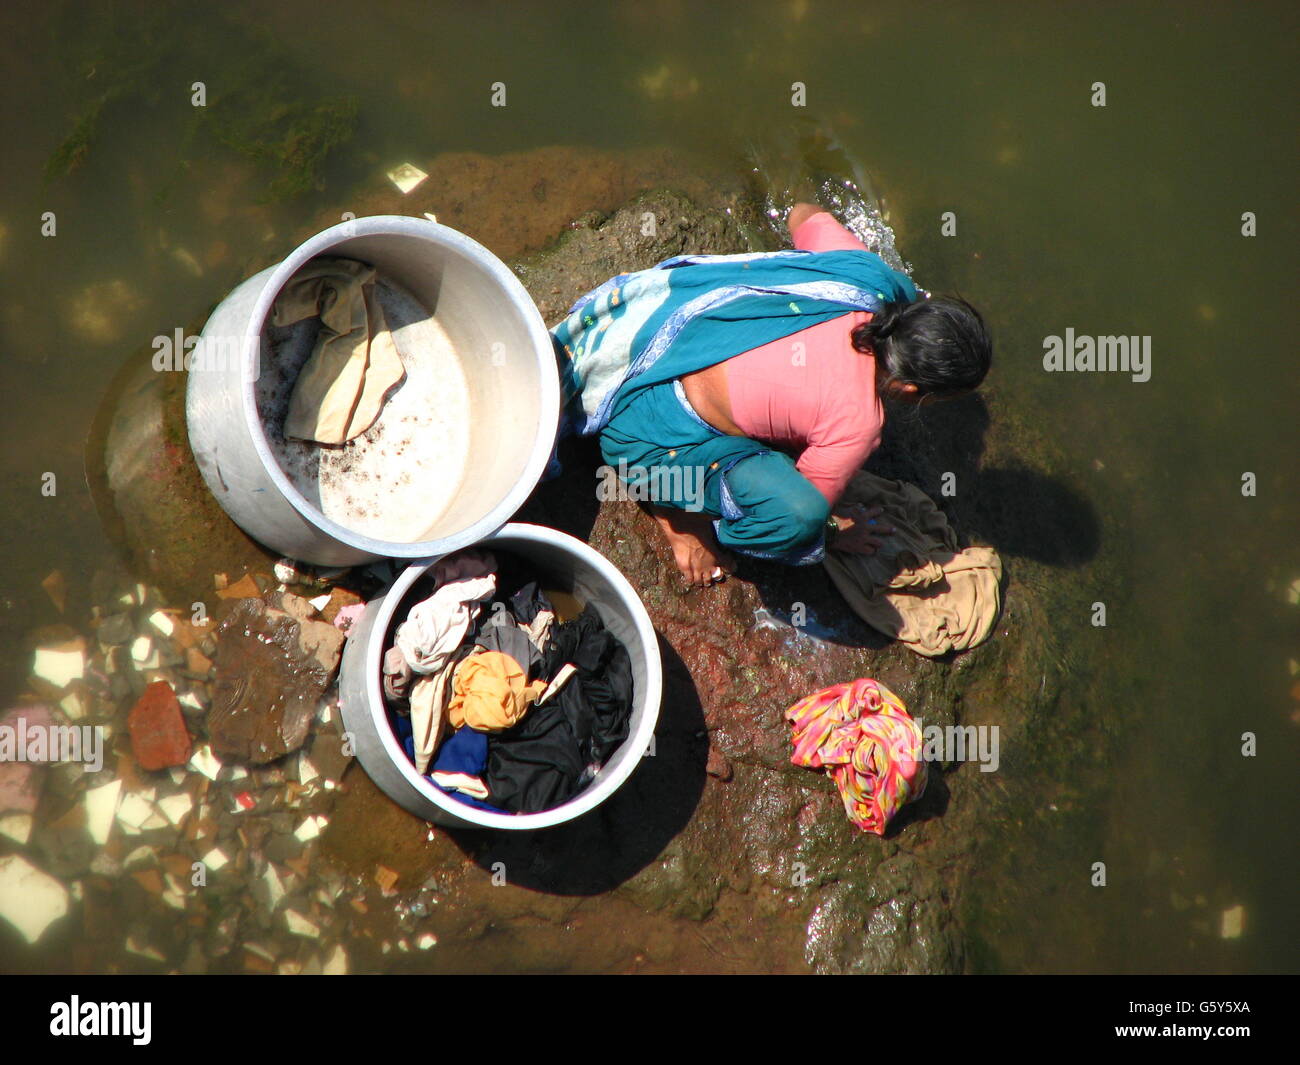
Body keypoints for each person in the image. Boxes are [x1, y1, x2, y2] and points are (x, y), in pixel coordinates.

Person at [551, 202, 991, 588]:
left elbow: (802, 212)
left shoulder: (867, 272)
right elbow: (803, 508)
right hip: (643, 432)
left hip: (646, 329)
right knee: (800, 517)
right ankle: (678, 515)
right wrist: (837, 535)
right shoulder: (859, 421)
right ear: (911, 389)